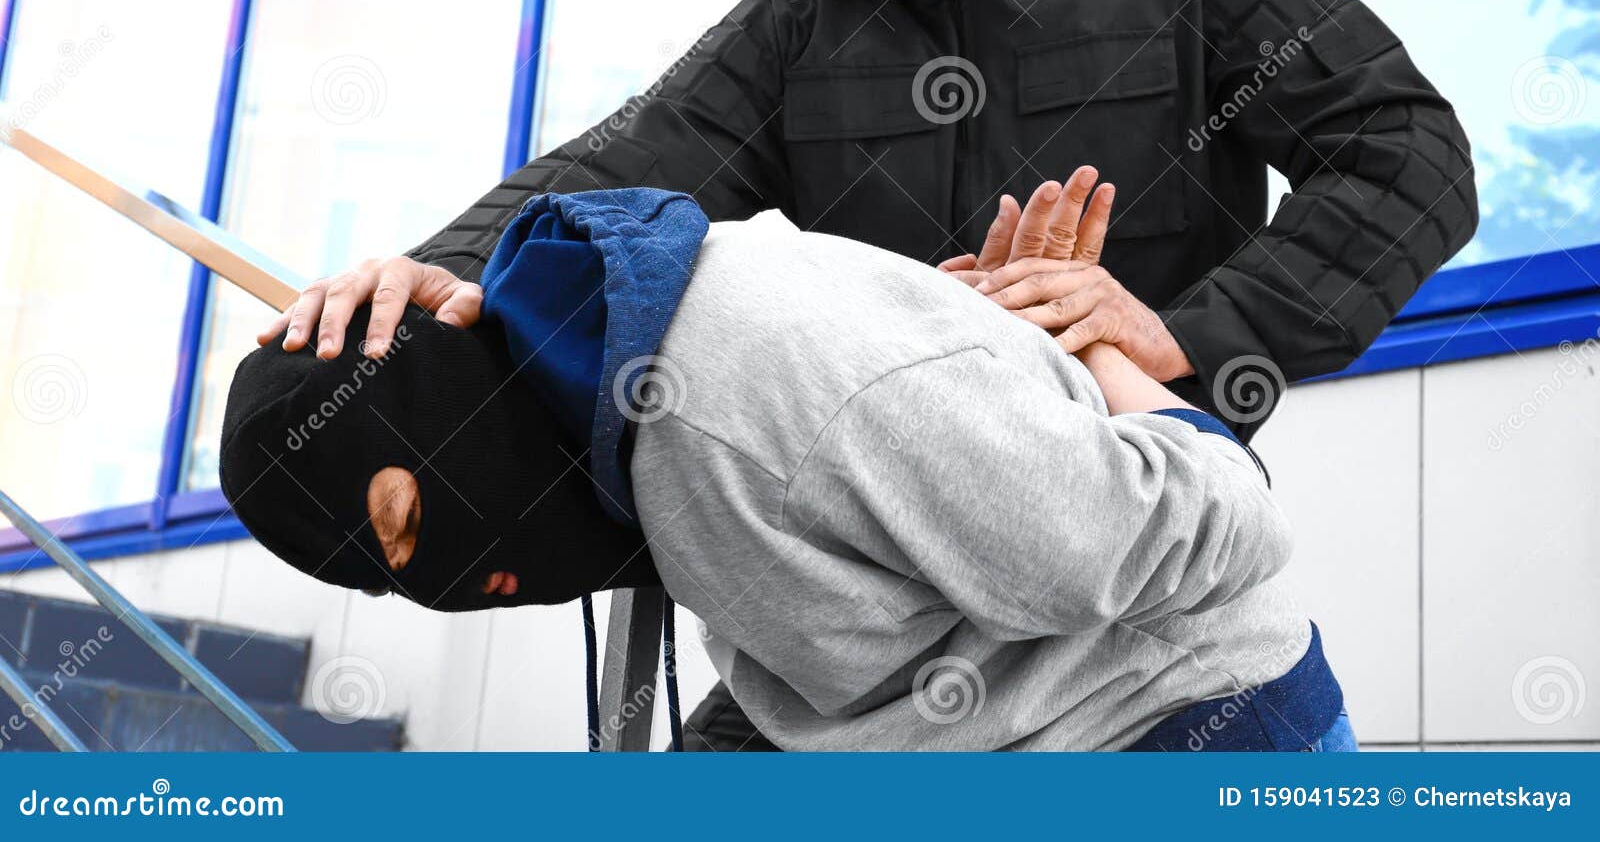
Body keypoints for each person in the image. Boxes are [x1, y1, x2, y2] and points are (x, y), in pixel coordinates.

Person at [256, 0, 1474, 750]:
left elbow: (1405, 154)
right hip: (872, 632)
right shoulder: (796, 29)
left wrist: (1181, 339)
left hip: (1126, 602)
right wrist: (426, 274)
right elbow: (615, 167)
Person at [221, 185, 1356, 751]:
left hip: (1178, 729)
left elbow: (1218, 522)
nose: (448, 580)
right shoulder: (585, 390)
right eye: (384, 570)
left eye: (407, 519)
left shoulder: (759, 394)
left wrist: (1090, 335)